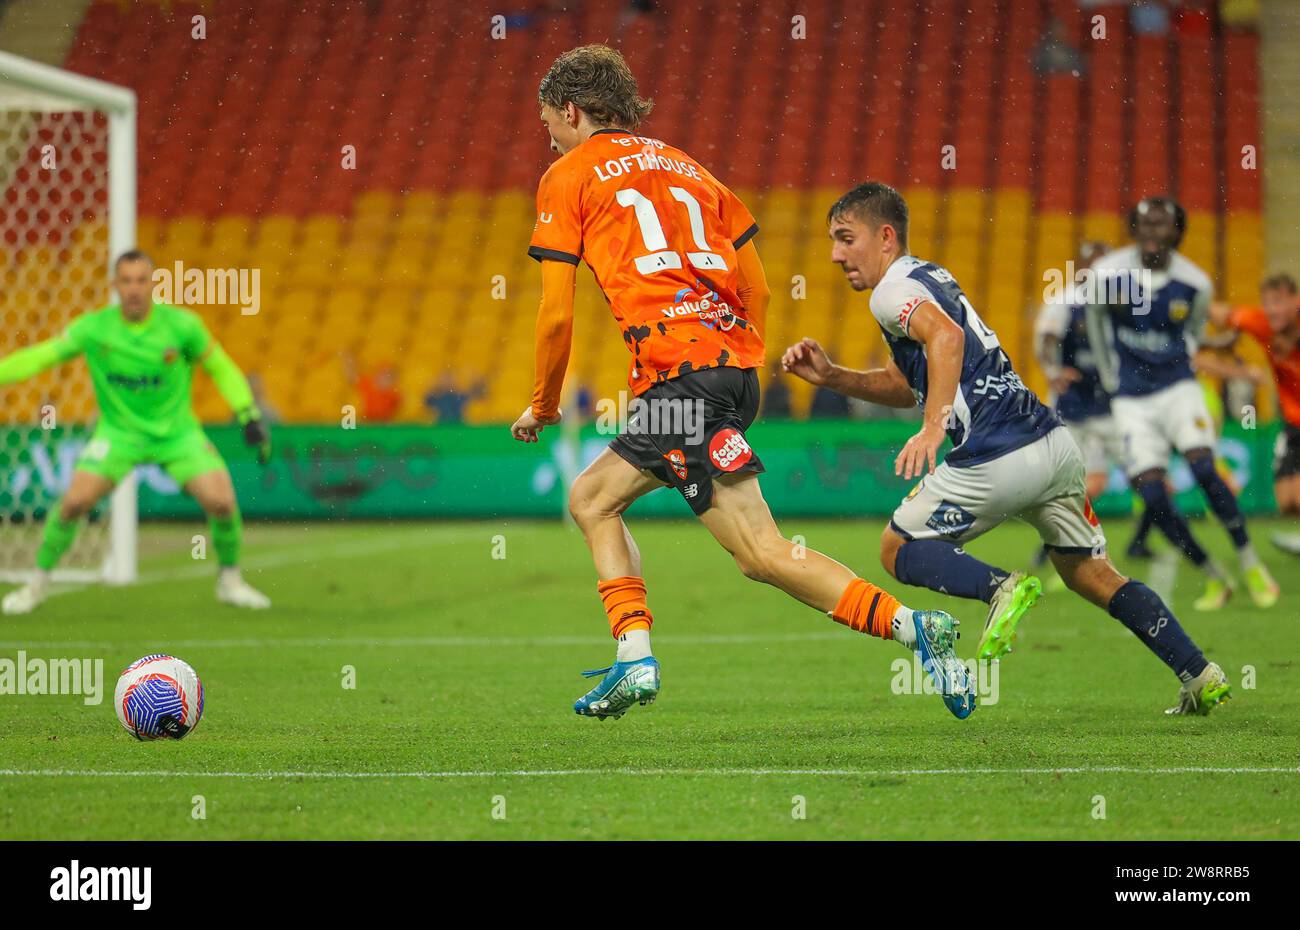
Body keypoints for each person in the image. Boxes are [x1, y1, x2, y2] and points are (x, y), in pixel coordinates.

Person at [510, 45, 975, 721]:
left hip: (680, 382)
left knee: (591, 501)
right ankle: (915, 628)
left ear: (573, 110)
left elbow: (555, 313)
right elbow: (753, 283)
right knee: (762, 554)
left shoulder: (568, 174)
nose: (548, 135)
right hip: (730, 375)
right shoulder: (692, 169)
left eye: (549, 120)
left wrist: (544, 404)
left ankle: (635, 658)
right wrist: (733, 366)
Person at [782, 181, 1230, 715]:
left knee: (896, 549)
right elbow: (911, 381)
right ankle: (1198, 672)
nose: (834, 254)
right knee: (1091, 572)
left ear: (884, 237)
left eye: (844, 238)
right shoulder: (929, 278)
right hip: (1053, 444)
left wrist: (933, 427)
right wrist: (833, 377)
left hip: (996, 453)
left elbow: (946, 341)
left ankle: (1001, 587)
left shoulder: (890, 292)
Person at [0, 250, 273, 614]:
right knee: (74, 504)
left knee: (222, 502)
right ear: (115, 285)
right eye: (126, 281)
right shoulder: (95, 328)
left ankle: (230, 581)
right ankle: (36, 585)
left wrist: (247, 413)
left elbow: (221, 366)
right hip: (118, 435)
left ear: (153, 284)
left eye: (141, 280)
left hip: (177, 434)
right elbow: (41, 356)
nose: (133, 289)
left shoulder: (182, 326)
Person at [1085, 197, 1279, 609]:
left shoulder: (1196, 284)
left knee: (1204, 467)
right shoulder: (1108, 275)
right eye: (1145, 224)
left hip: (1178, 387)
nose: (1153, 233)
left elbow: (1189, 337)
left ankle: (1250, 561)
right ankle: (1215, 575)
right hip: (1131, 400)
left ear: (1178, 233)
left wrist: (1212, 347)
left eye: (1163, 225)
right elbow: (1098, 324)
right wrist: (1109, 377)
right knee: (1153, 497)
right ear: (1133, 229)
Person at [1204, 273, 1300, 516]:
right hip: (1293, 420)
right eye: (1266, 302)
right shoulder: (1259, 322)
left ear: (1295, 301)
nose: (1271, 309)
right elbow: (1217, 311)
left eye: (1277, 302)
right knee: (1287, 502)